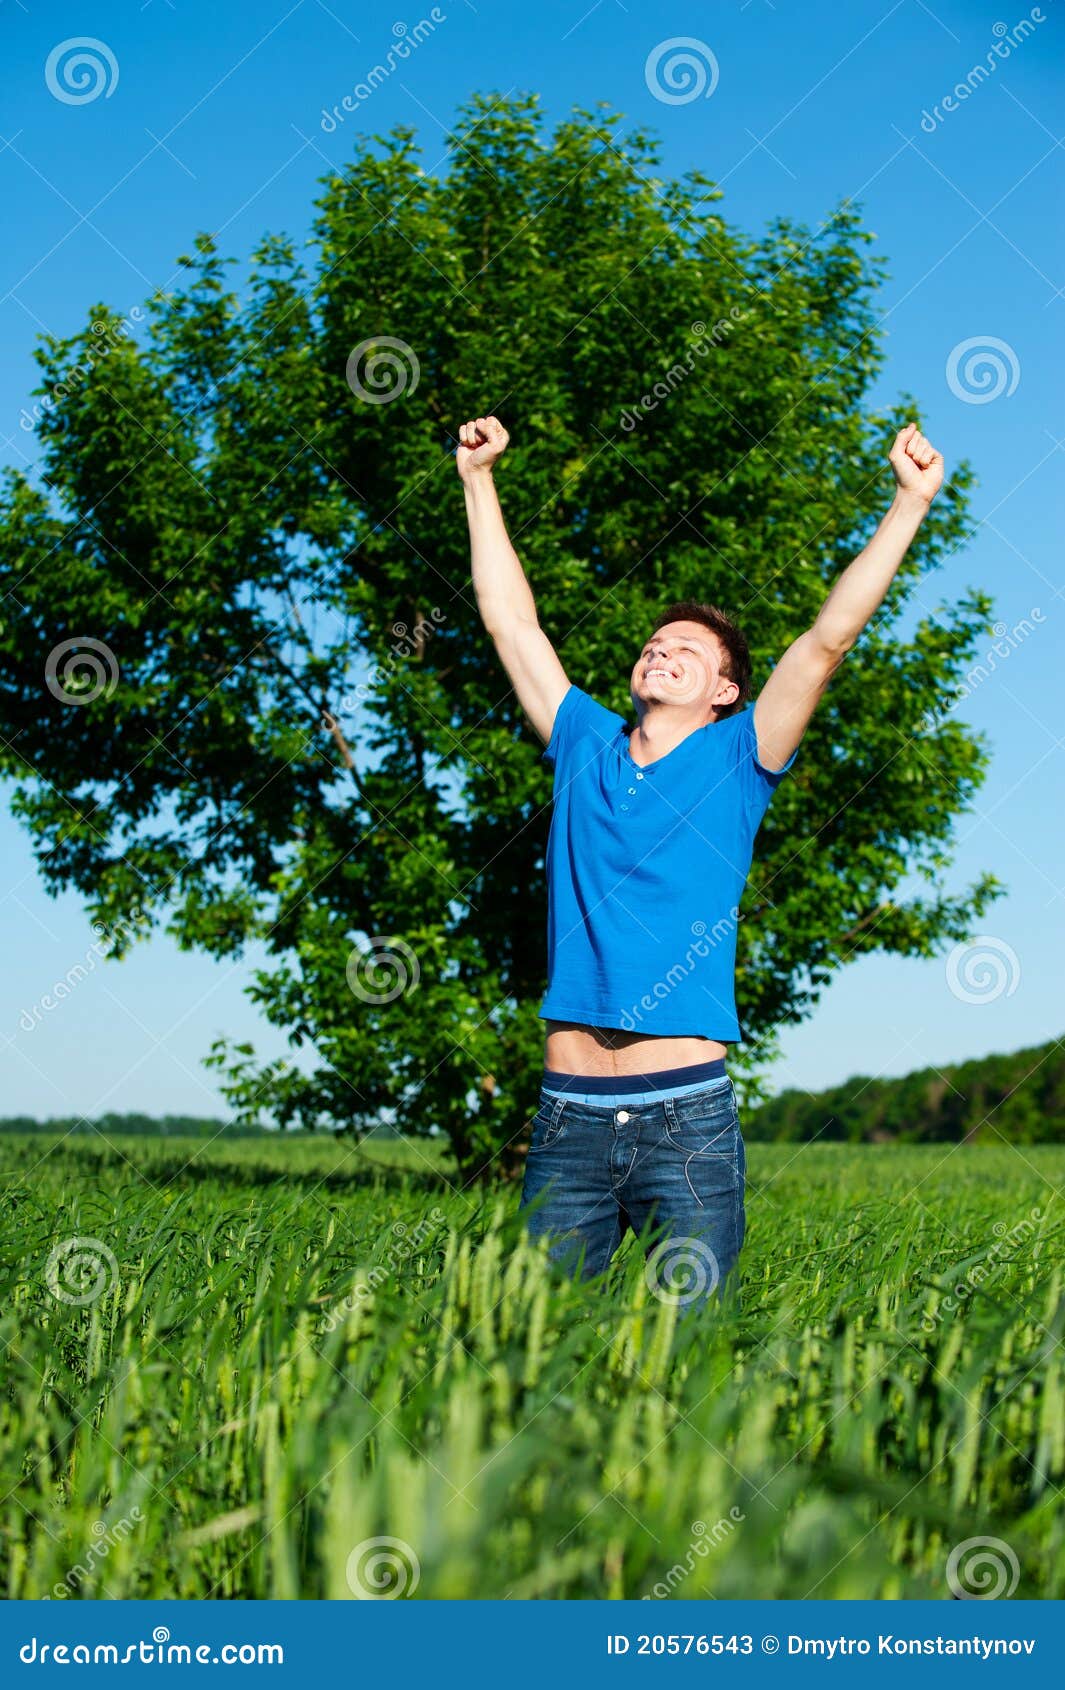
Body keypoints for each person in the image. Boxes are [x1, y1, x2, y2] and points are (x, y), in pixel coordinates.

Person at [457, 414, 944, 1306]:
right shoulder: (583, 742)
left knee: (689, 1357)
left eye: (687, 648)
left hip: (685, 1115)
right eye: (652, 643)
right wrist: (477, 480)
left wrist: (908, 504)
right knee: (529, 1356)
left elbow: (827, 640)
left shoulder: (739, 757)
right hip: (565, 1116)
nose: (660, 650)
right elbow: (510, 621)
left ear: (725, 691)